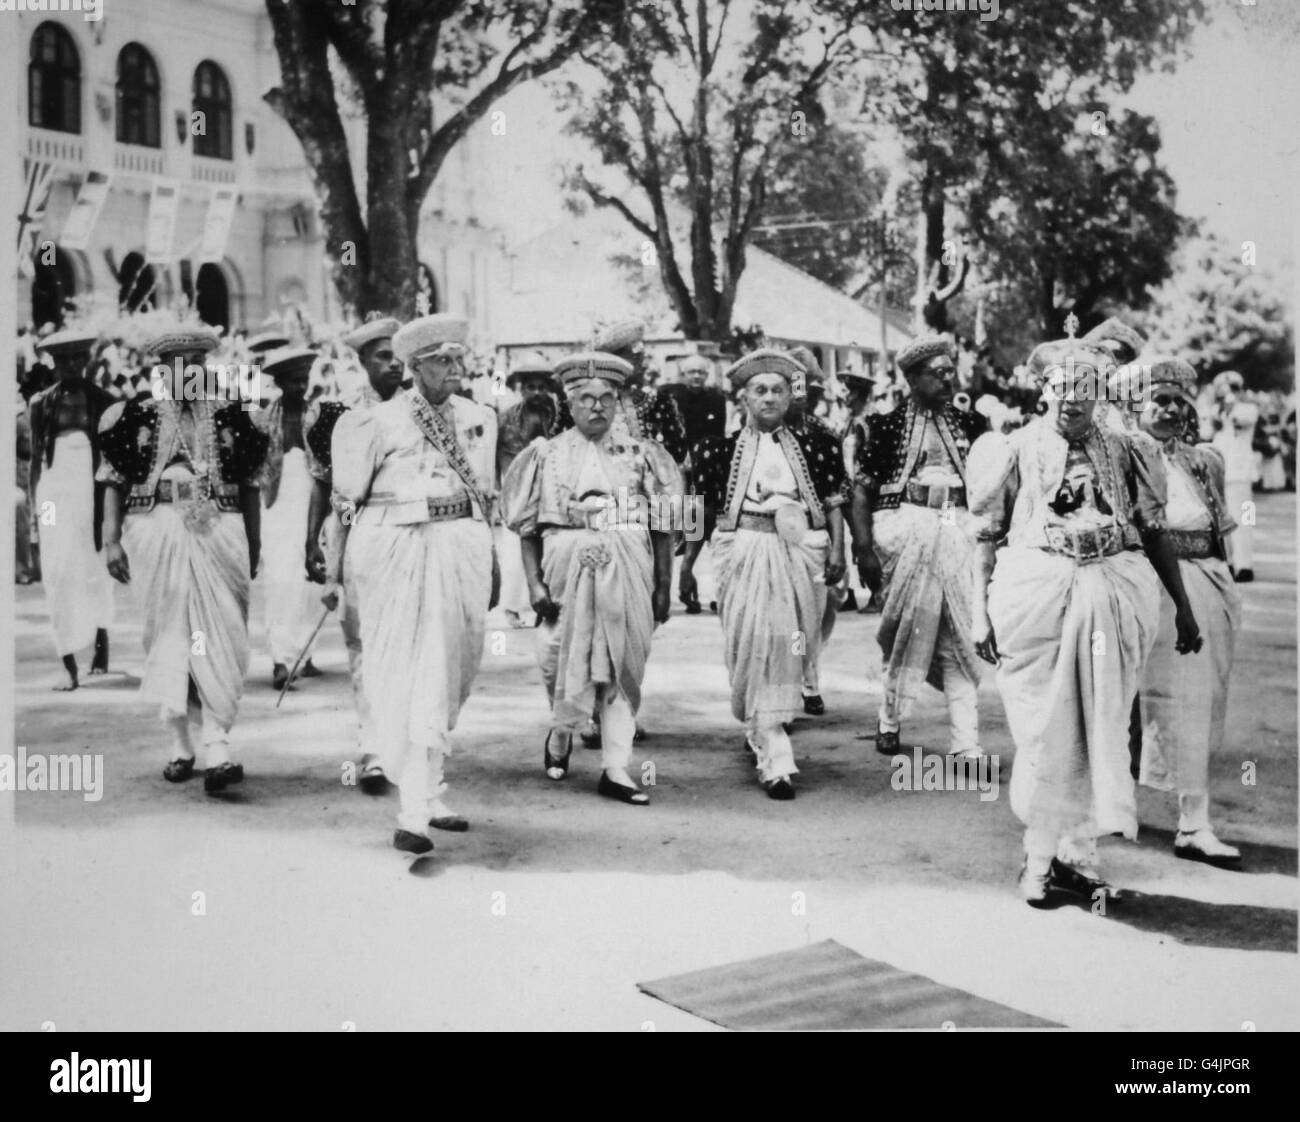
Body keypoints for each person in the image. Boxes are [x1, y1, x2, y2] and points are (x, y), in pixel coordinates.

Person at [968, 334, 1201, 906]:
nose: (1073, 398)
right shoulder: (1014, 448)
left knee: (1102, 726)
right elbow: (986, 536)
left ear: (1101, 393)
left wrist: (1184, 608)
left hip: (1113, 596)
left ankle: (1078, 855)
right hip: (1036, 598)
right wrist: (978, 613)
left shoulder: (1127, 450)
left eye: (1087, 387)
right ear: (1043, 390)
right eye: (1061, 386)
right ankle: (1040, 858)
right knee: (1047, 730)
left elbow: (1152, 530)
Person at [329, 313, 499, 855]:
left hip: (459, 549)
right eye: (443, 360)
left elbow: (485, 498)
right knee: (408, 673)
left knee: (451, 669)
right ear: (415, 366)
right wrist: (335, 569)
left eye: (458, 358)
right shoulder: (374, 422)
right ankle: (413, 813)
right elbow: (345, 503)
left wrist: (491, 560)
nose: (455, 369)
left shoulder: (479, 418)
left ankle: (430, 791)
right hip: (395, 552)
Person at [502, 351, 679, 805]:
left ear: (619, 403)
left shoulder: (642, 454)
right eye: (586, 399)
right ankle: (561, 730)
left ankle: (616, 767)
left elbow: (664, 526)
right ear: (571, 403)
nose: (597, 407)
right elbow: (526, 530)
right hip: (564, 570)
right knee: (556, 656)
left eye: (607, 398)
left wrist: (664, 584)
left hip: (628, 566)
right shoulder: (546, 454)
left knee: (620, 663)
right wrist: (536, 586)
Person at [97, 324, 267, 793]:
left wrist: (253, 543)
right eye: (178, 362)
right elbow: (112, 480)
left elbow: (251, 485)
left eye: (196, 362)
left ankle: (218, 745)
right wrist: (111, 540)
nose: (189, 370)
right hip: (156, 528)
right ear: (161, 368)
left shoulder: (235, 415)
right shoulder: (132, 415)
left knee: (220, 632)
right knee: (169, 634)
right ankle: (180, 743)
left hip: (221, 530)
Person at [681, 348, 847, 799]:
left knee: (791, 642)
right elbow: (703, 509)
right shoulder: (717, 450)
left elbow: (833, 501)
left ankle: (769, 732)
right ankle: (770, 743)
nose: (770, 398)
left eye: (778, 390)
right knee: (752, 640)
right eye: (760, 391)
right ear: (744, 399)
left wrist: (840, 553)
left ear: (791, 397)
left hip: (800, 554)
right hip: (743, 553)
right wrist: (686, 566)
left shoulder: (818, 445)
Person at [850, 335, 987, 759]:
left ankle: (966, 743)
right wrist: (864, 550)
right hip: (905, 527)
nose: (949, 381)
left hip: (955, 526)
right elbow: (860, 493)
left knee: (960, 639)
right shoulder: (884, 426)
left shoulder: (973, 425)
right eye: (938, 373)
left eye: (951, 372)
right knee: (906, 632)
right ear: (912, 379)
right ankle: (889, 719)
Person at [1133, 357, 1243, 867]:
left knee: (1197, 702)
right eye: (1160, 399)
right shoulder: (1126, 455)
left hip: (1206, 583)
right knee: (1125, 701)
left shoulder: (1203, 460)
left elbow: (1220, 530)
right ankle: (1095, 816)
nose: (1171, 409)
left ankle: (1193, 823)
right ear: (1139, 405)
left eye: (1180, 401)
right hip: (1148, 586)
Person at [302, 316, 404, 795]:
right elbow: (324, 484)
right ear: (362, 362)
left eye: (398, 354)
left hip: (410, 547)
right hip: (359, 544)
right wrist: (317, 549)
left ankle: (404, 743)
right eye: (382, 356)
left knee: (406, 649)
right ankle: (374, 751)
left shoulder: (419, 412)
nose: (394, 364)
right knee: (363, 651)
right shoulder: (337, 417)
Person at [28, 328, 116, 690]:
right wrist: (38, 515)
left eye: (75, 358)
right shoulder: (40, 403)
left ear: (86, 360)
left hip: (91, 495)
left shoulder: (104, 401)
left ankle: (100, 638)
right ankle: (67, 662)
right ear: (53, 363)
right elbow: (36, 459)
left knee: (94, 568)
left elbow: (112, 463)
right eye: (61, 360)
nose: (69, 366)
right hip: (53, 494)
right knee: (57, 569)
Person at [255, 347, 324, 689]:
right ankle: (280, 660)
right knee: (280, 580)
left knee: (309, 581)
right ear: (280, 383)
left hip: (312, 504)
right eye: (293, 381)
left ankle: (305, 652)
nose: (300, 387)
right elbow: (255, 472)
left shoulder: (320, 415)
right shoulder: (263, 418)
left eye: (304, 380)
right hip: (276, 505)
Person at [786, 346, 842, 716]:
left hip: (815, 537)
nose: (801, 396)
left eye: (809, 389)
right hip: (770, 539)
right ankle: (793, 687)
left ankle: (809, 678)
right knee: (785, 618)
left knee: (815, 616)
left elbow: (835, 497)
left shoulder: (824, 434)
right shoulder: (756, 434)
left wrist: (840, 550)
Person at [495, 356, 561, 627]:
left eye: (541, 387)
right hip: (516, 493)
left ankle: (541, 607)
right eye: (530, 387)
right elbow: (494, 454)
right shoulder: (505, 418)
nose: (536, 393)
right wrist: (497, 490)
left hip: (549, 491)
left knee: (547, 550)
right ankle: (510, 608)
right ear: (520, 389)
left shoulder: (556, 415)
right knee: (513, 553)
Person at [585, 320, 690, 465]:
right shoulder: (587, 401)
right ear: (614, 361)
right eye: (636, 358)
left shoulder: (659, 401)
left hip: (648, 484)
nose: (644, 365)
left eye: (642, 357)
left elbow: (677, 453)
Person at [1212, 397, 1259, 581]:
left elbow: (1242, 421)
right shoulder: (1217, 409)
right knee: (1223, 519)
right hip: (1221, 471)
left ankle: (1245, 565)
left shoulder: (1247, 408)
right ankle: (1229, 562)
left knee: (1245, 520)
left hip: (1242, 476)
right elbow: (1210, 429)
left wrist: (1230, 407)